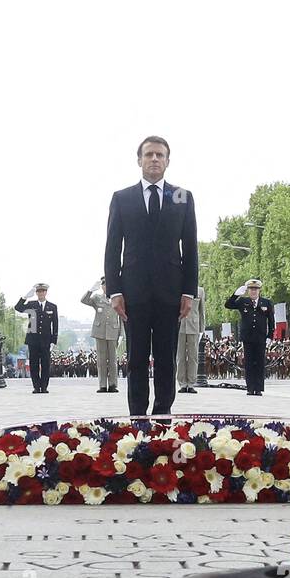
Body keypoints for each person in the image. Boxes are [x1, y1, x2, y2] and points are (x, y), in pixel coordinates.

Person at [104, 134, 198, 417]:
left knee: (167, 359)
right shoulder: (122, 198)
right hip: (133, 293)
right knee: (136, 358)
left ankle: (162, 415)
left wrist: (188, 291)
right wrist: (115, 291)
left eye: (160, 155)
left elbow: (190, 247)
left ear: (168, 161)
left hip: (171, 292)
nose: (154, 159)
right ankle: (137, 417)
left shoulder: (182, 196)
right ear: (139, 160)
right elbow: (112, 247)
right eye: (149, 154)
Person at [225, 280, 274, 395]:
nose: (253, 291)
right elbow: (228, 305)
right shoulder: (243, 301)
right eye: (251, 289)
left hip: (261, 337)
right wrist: (235, 295)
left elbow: (271, 320)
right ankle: (250, 388)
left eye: (255, 289)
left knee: (260, 363)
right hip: (247, 337)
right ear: (248, 291)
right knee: (249, 363)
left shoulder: (266, 302)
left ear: (259, 290)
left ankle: (259, 388)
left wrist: (270, 336)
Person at [81, 277, 124, 394]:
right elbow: (84, 300)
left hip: (113, 332)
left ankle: (113, 384)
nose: (106, 287)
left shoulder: (118, 298)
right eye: (104, 285)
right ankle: (102, 385)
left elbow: (121, 316)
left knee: (113, 361)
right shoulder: (97, 298)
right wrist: (90, 290)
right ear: (102, 287)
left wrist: (121, 334)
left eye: (108, 285)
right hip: (100, 332)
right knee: (101, 360)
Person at [15, 284, 58, 394]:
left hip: (46, 339)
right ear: (36, 293)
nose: (41, 293)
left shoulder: (52, 307)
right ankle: (36, 386)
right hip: (33, 339)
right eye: (39, 291)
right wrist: (25, 297)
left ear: (46, 292)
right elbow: (18, 308)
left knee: (45, 364)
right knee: (34, 364)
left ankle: (44, 387)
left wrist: (54, 340)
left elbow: (55, 325)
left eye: (43, 291)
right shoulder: (31, 304)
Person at [177, 284, 206, 393]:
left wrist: (202, 330)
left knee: (193, 356)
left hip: (194, 326)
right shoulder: (177, 288)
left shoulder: (200, 291)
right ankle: (182, 383)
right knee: (180, 356)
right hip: (180, 325)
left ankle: (191, 382)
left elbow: (202, 311)